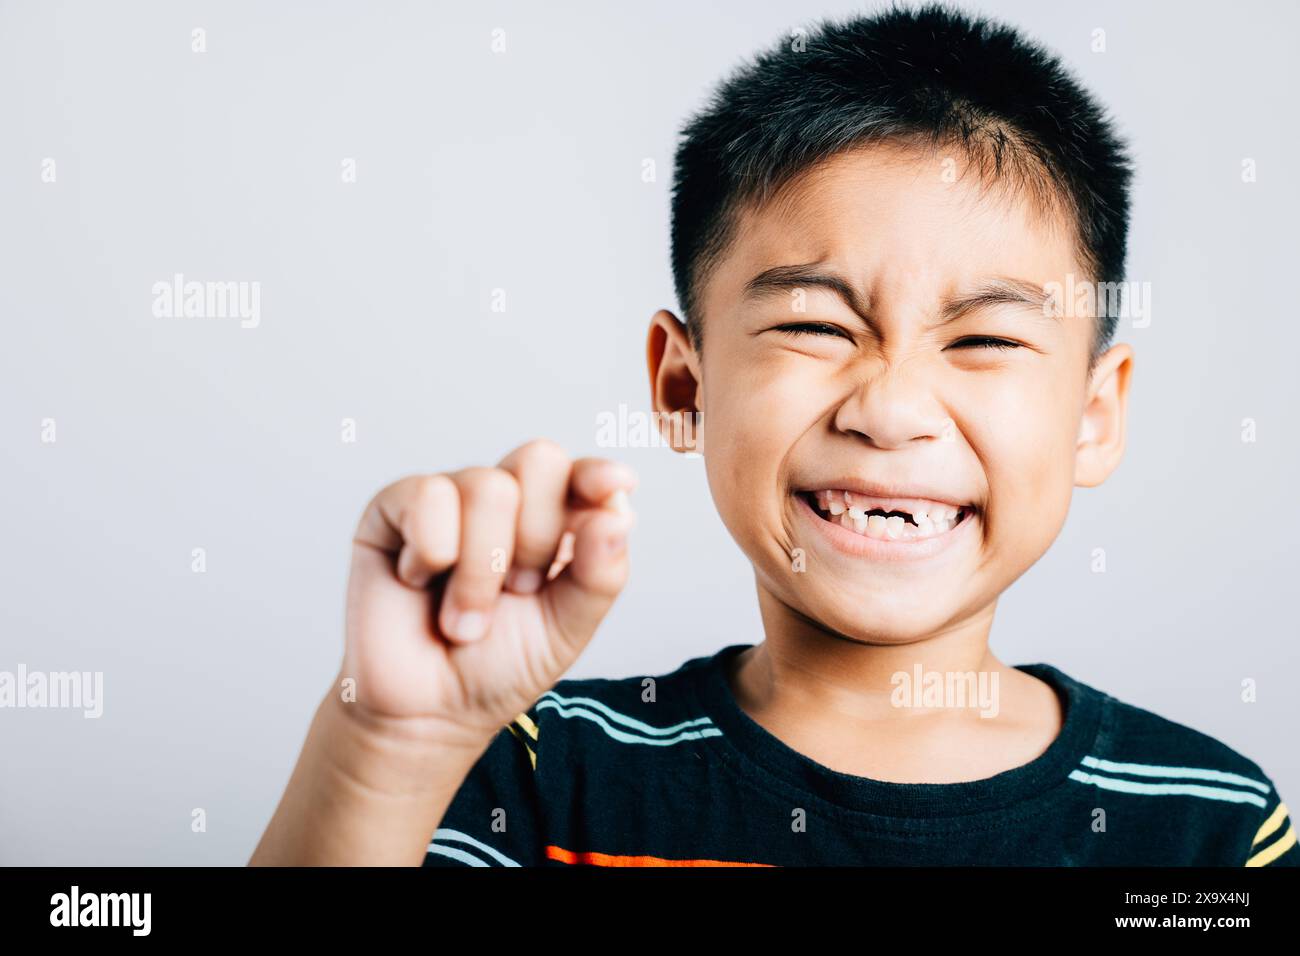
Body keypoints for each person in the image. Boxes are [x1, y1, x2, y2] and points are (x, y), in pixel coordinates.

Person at [250, 4, 1297, 867]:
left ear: (1093, 414)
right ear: (681, 381)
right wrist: (384, 746)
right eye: (813, 326)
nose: (888, 409)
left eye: (981, 336)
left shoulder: (1203, 825)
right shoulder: (535, 769)